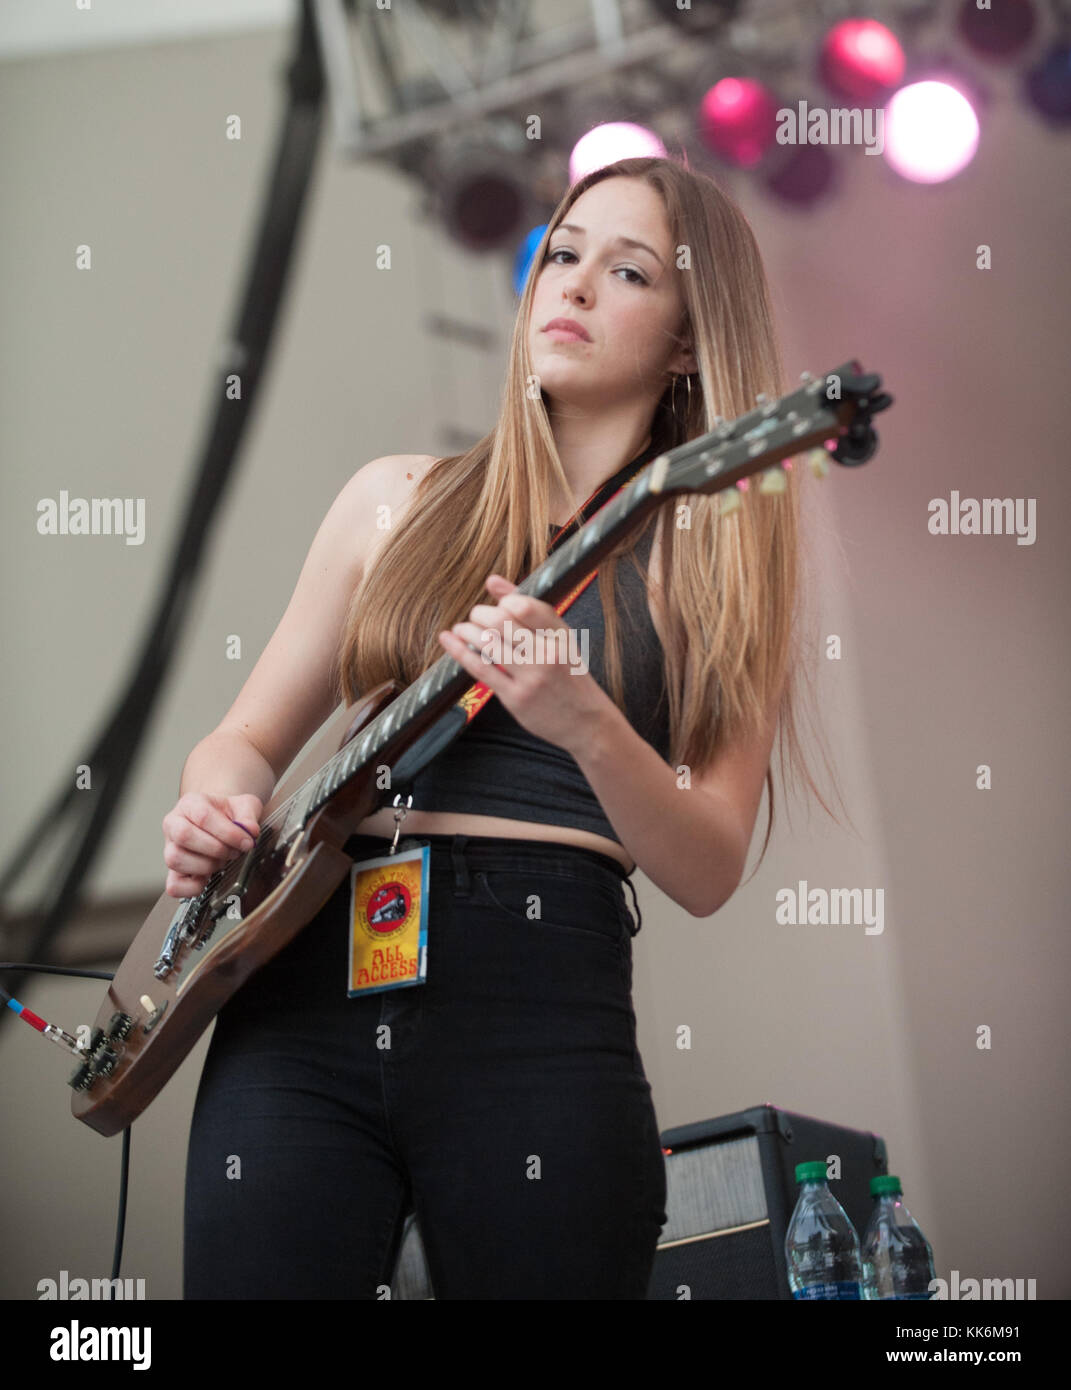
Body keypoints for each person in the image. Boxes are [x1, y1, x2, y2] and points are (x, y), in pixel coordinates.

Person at [170, 156, 833, 1299]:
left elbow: (710, 863)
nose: (569, 287)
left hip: (538, 1004)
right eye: (560, 256)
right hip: (303, 988)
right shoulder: (394, 500)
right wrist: (214, 803)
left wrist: (585, 722)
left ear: (688, 344)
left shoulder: (720, 561)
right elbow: (241, 743)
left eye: (624, 271)